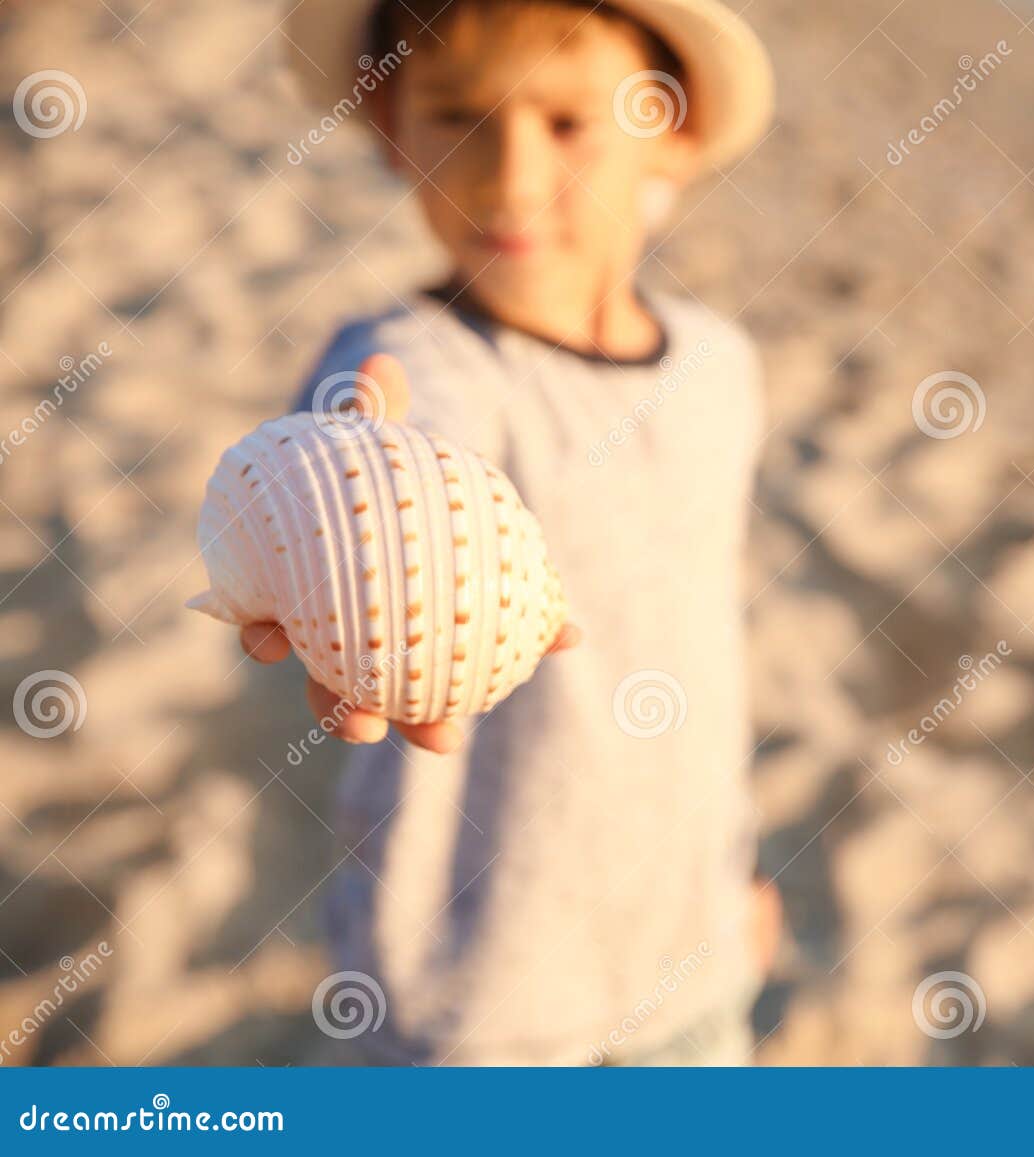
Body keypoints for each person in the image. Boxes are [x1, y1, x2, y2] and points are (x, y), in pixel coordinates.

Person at [237, 0, 780, 1065]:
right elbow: (383, 447)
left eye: (569, 122)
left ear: (669, 126)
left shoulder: (721, 368)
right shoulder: (421, 363)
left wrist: (728, 890)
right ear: (391, 128)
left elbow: (699, 665)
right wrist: (357, 502)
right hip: (473, 1004)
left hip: (693, 962)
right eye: (456, 114)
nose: (511, 175)